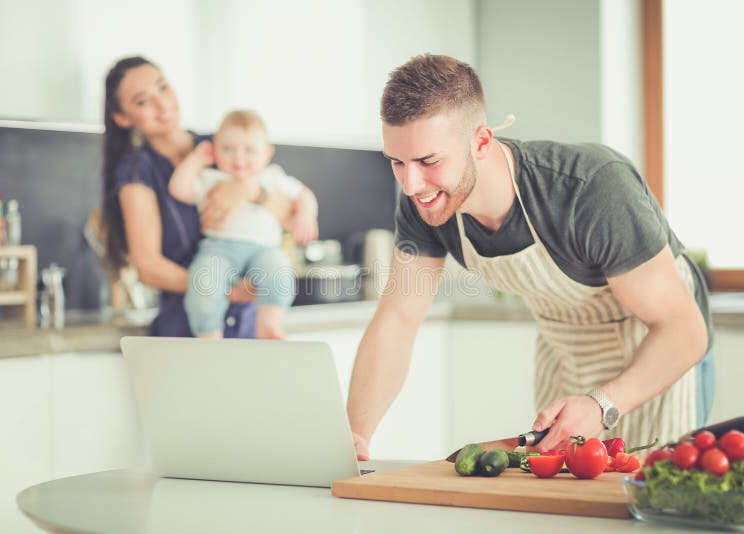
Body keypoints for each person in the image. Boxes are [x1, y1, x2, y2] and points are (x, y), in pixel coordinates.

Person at [347, 54, 714, 460]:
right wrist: (354, 437)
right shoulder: (427, 204)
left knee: (642, 509)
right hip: (564, 353)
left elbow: (684, 331)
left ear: (481, 141)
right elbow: (398, 318)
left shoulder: (590, 190)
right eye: (397, 162)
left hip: (656, 352)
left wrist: (602, 404)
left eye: (428, 161)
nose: (412, 184)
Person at [101, 56, 292, 337]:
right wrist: (223, 289)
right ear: (123, 117)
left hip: (248, 329)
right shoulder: (137, 171)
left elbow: (289, 216)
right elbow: (148, 267)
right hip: (186, 331)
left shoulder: (222, 145)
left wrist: (250, 190)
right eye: (143, 101)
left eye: (163, 88)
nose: (163, 104)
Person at [168, 109, 318, 339]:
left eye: (249, 150)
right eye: (227, 149)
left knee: (280, 274)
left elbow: (304, 195)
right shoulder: (211, 178)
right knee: (204, 285)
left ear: (267, 153)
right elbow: (179, 189)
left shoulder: (273, 177)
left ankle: (268, 325)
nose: (238, 158)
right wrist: (196, 160)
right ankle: (208, 336)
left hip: (265, 250)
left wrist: (306, 216)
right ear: (215, 150)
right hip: (219, 248)